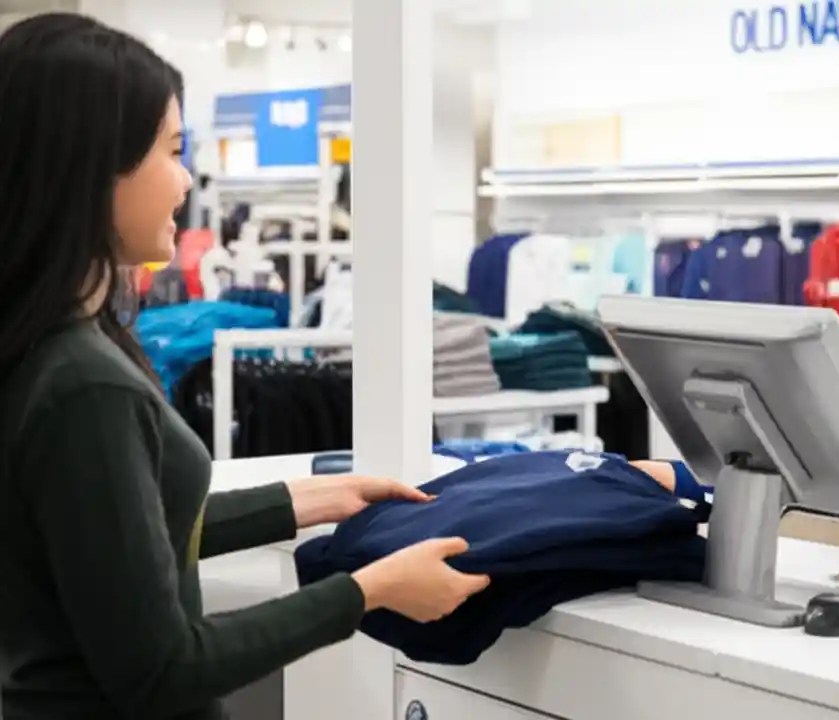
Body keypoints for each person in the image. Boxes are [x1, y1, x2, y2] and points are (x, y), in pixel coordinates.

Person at [0, 14, 490, 720]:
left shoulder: (43, 350)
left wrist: (303, 502)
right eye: (171, 149)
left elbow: (122, 544)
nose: (186, 177)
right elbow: (164, 669)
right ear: (94, 167)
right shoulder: (84, 384)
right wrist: (368, 591)